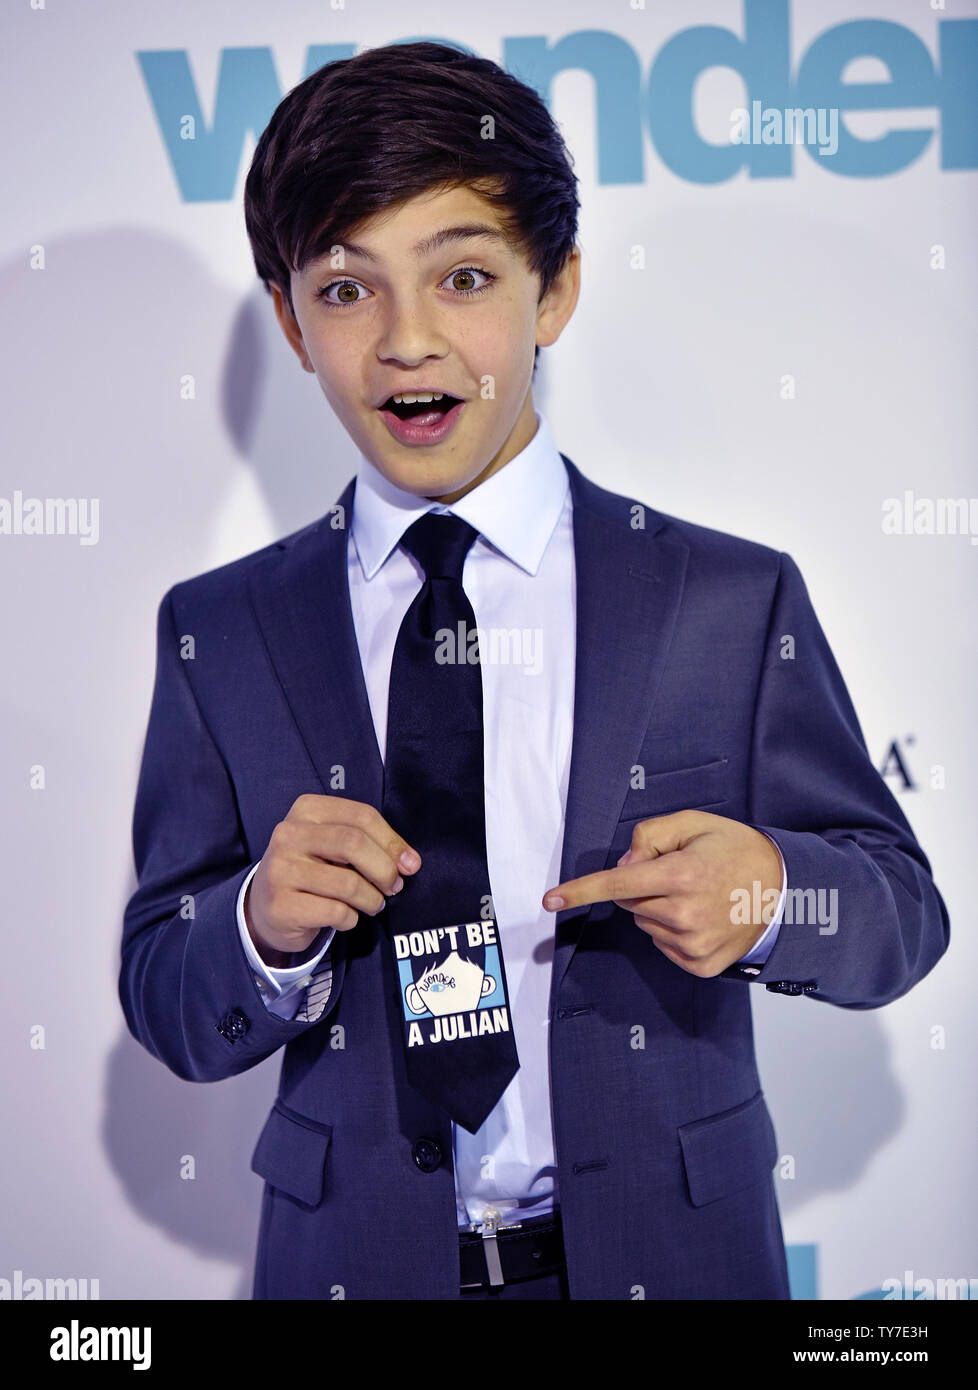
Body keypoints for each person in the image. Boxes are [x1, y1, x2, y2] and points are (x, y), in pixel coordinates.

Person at [119, 41, 950, 1301]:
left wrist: (777, 894)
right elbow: (167, 992)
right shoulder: (222, 627)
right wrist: (256, 926)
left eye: (463, 277)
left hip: (675, 1267)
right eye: (346, 291)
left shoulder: (728, 596)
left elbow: (900, 910)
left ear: (554, 290)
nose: (407, 342)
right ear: (291, 320)